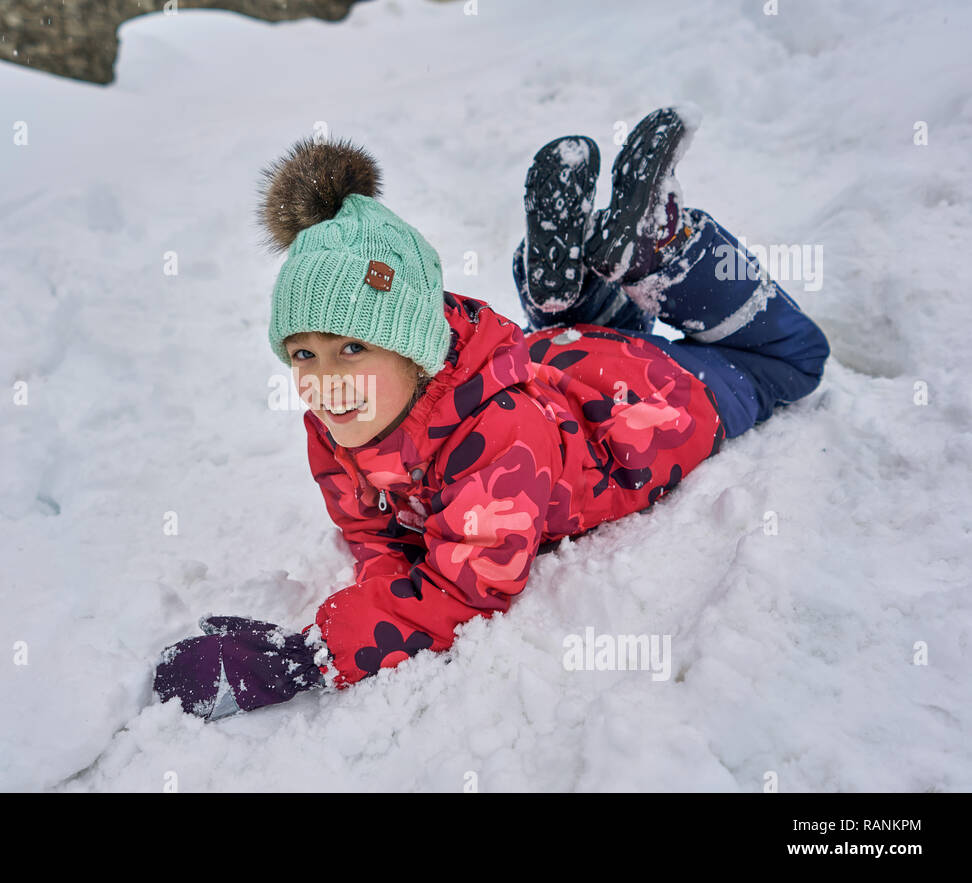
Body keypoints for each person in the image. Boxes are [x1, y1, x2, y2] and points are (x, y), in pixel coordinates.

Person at [153, 108, 830, 721]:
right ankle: (566, 295)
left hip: (658, 397)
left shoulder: (495, 442)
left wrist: (306, 655)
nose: (325, 382)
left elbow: (468, 588)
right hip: (564, 363)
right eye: (303, 353)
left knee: (792, 357)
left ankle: (660, 247)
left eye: (352, 347)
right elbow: (374, 532)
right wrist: (381, 579)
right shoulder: (338, 422)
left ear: (417, 353)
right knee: (585, 333)